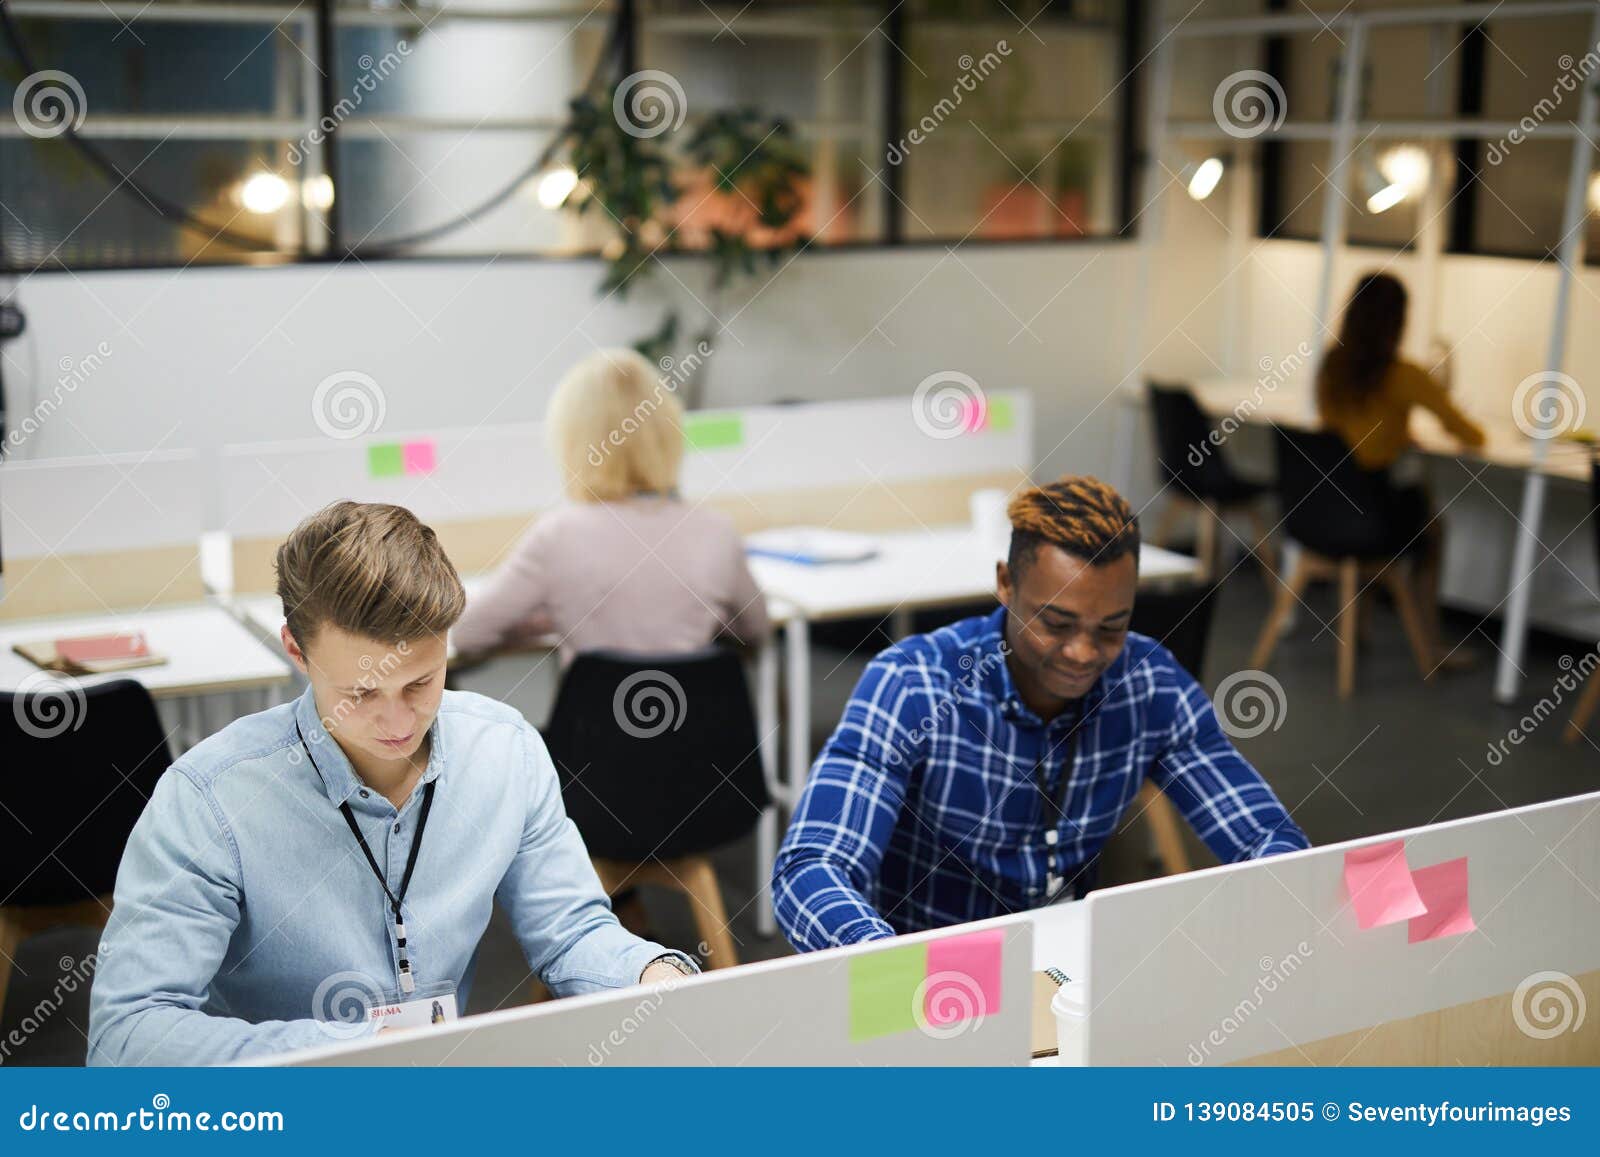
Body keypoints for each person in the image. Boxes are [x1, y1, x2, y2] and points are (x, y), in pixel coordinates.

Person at [88, 501, 694, 1066]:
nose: (399, 723)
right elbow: (128, 1035)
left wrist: (653, 974)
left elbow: (572, 934)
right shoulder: (209, 799)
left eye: (420, 683)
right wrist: (357, 1048)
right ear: (297, 651)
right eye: (360, 693)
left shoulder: (504, 752)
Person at [772, 475, 1309, 951]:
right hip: (925, 971)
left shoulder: (1149, 682)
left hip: (1070, 972)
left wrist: (1289, 890)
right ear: (1005, 583)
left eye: (1110, 628)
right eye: (1056, 624)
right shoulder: (914, 684)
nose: (1082, 653)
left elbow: (1264, 838)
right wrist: (882, 960)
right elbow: (811, 869)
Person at [451, 347, 769, 663]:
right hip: (695, 712)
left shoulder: (558, 535)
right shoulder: (716, 530)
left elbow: (470, 634)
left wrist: (550, 620)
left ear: (573, 440)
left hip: (592, 713)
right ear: (667, 434)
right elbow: (756, 629)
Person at [1315, 272, 1486, 665]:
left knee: (1379, 511)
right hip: (1375, 512)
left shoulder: (1331, 367)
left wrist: (1396, 434)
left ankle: (1360, 629)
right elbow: (1469, 433)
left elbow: (1336, 434)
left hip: (1330, 506)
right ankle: (1431, 643)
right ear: (1397, 320)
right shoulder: (1404, 375)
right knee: (1432, 530)